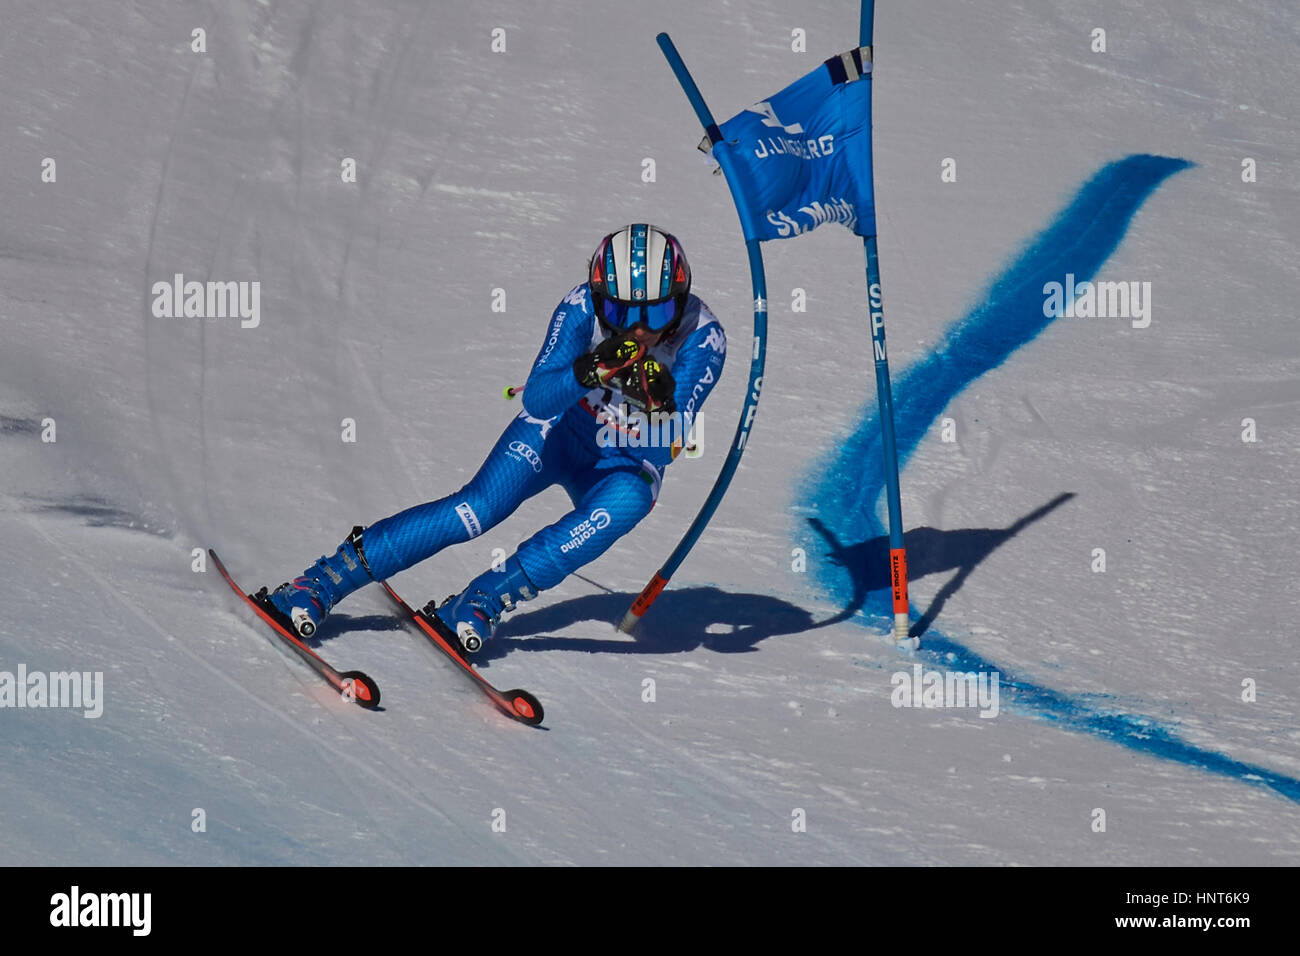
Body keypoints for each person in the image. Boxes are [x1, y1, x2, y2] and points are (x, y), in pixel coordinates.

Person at [263, 224, 727, 653]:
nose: (640, 329)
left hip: (622, 459)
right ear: (601, 298)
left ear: (680, 301)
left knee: (630, 500)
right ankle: (322, 581)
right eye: (622, 313)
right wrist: (590, 371)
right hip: (562, 429)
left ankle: (482, 598)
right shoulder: (581, 306)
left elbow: (664, 450)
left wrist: (659, 408)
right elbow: (540, 399)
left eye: (659, 311)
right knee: (476, 511)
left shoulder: (702, 338)